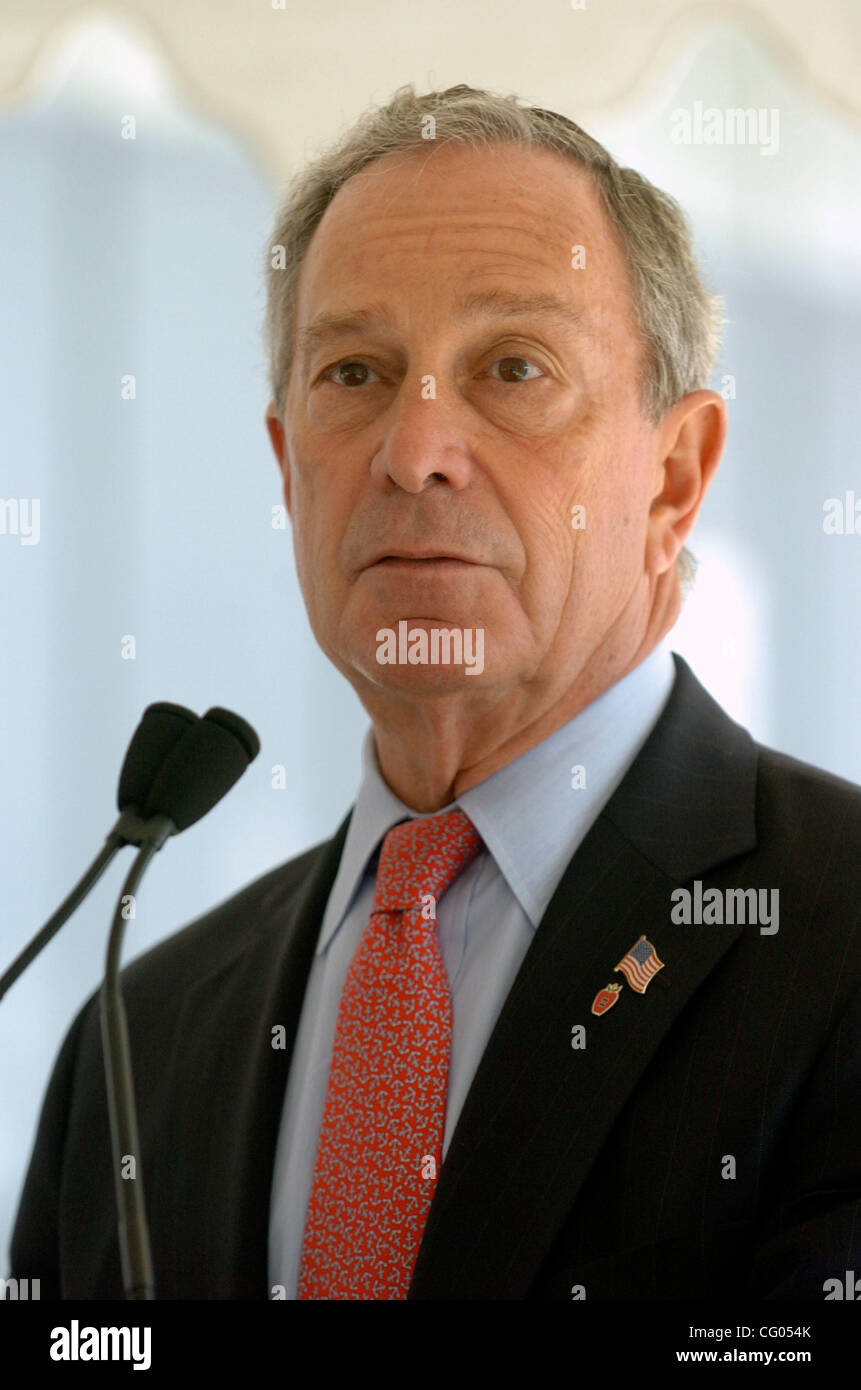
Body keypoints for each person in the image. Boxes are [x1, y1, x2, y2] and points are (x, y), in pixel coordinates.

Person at [9, 83, 861, 1300]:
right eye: (354, 373)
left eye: (514, 367)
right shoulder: (134, 1033)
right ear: (289, 470)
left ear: (674, 480)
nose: (412, 451)